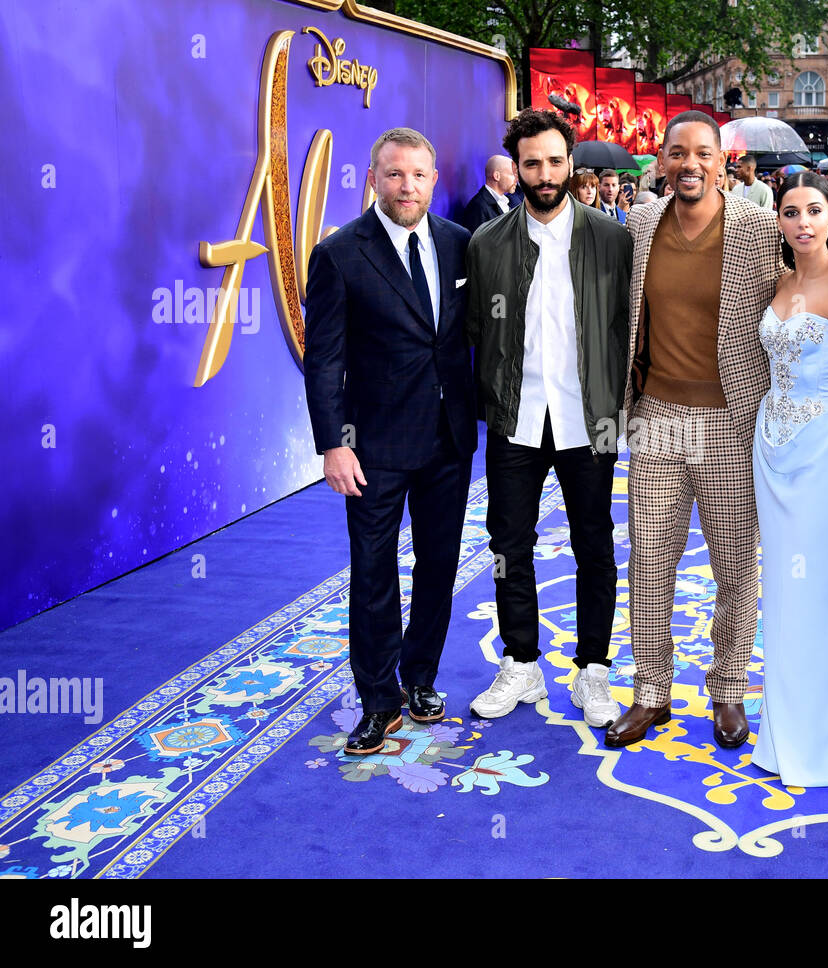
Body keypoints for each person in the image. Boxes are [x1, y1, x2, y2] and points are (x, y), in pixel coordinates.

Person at [605, 111, 784, 750]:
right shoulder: (641, 222)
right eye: (678, 152)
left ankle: (728, 686)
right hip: (655, 417)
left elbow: (798, 303)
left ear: (722, 162)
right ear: (662, 160)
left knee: (735, 564)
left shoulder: (759, 228)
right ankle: (651, 691)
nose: (690, 164)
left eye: (703, 153)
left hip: (732, 419)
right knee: (650, 559)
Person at [303, 127, 476, 754]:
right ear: (373, 177)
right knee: (374, 572)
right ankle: (378, 700)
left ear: (434, 180)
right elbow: (324, 359)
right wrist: (333, 442)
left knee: (439, 564)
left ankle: (420, 677)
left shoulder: (458, 243)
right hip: (371, 445)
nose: (407, 186)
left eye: (419, 175)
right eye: (395, 173)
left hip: (448, 439)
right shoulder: (339, 253)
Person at [465, 109, 632, 727]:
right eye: (531, 163)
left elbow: (626, 328)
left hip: (589, 419)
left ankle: (594, 670)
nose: (544, 174)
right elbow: (477, 330)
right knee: (509, 544)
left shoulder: (612, 239)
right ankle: (521, 663)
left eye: (555, 161)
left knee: (595, 544)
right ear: (516, 169)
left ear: (571, 164)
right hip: (516, 419)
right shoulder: (487, 244)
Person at [750, 172, 828, 787]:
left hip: (824, 454)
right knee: (780, 595)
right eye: (791, 211)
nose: (802, 222)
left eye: (814, 210)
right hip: (769, 450)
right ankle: (779, 737)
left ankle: (816, 747)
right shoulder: (779, 282)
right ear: (778, 220)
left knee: (814, 595)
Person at [460, 154, 518, 234]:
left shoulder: (508, 202)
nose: (517, 180)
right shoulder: (478, 207)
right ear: (497, 176)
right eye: (513, 174)